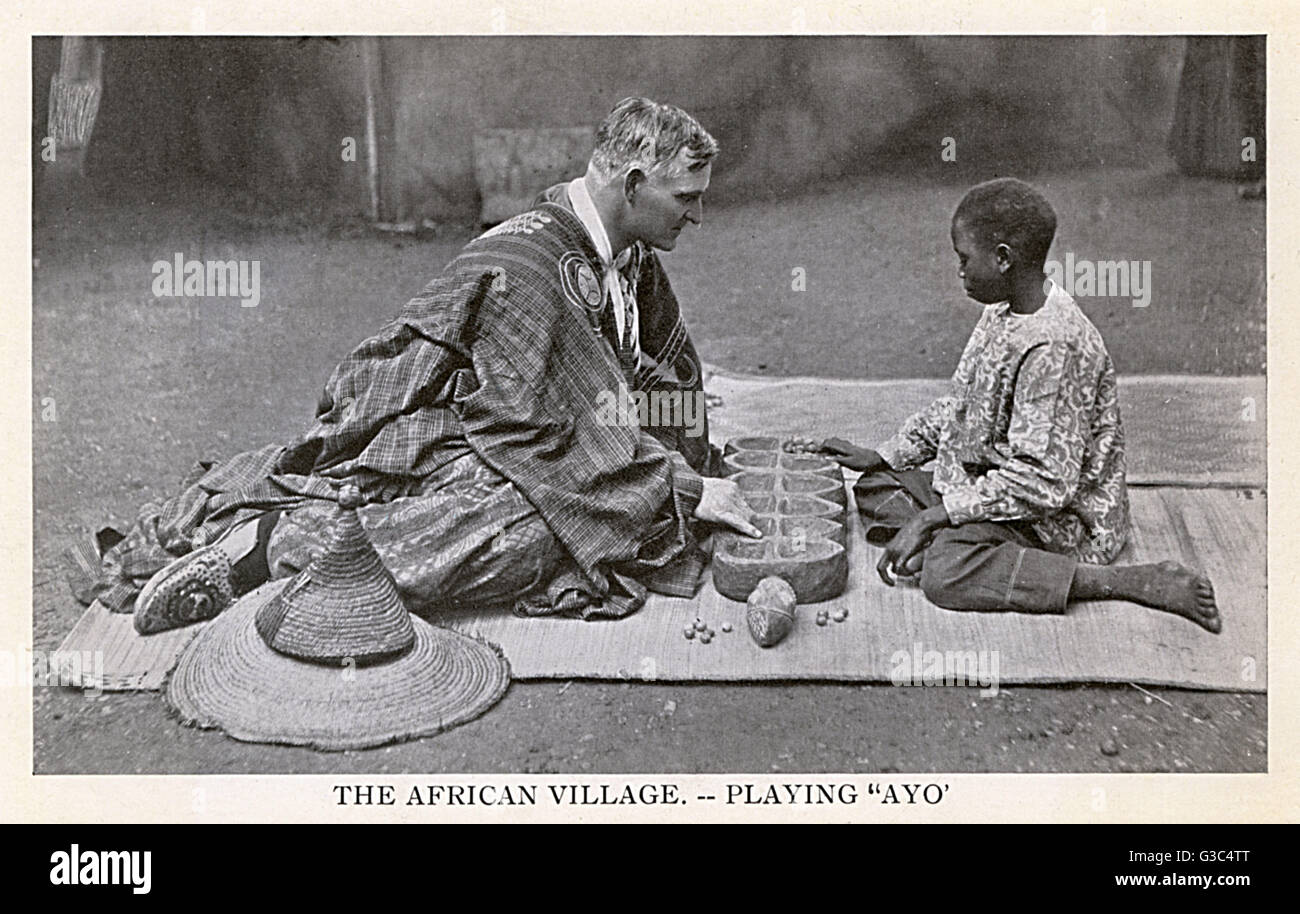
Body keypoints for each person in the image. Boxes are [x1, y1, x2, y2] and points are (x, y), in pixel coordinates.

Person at [69, 97, 760, 632]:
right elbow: (556, 428)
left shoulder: (623, 248)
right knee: (533, 536)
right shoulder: (537, 267)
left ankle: (293, 538)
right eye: (686, 198)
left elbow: (652, 375)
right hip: (430, 429)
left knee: (615, 501)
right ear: (635, 184)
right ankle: (275, 545)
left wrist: (687, 454)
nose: (697, 215)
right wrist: (688, 489)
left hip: (519, 423)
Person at [821, 178, 1221, 633]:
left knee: (945, 574)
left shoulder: (1055, 344)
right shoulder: (1003, 310)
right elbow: (960, 407)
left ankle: (1120, 581)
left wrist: (937, 515)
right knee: (875, 486)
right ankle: (968, 543)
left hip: (1056, 519)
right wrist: (885, 454)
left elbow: (1045, 483)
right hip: (992, 478)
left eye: (964, 259)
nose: (960, 271)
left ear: (1004, 258)